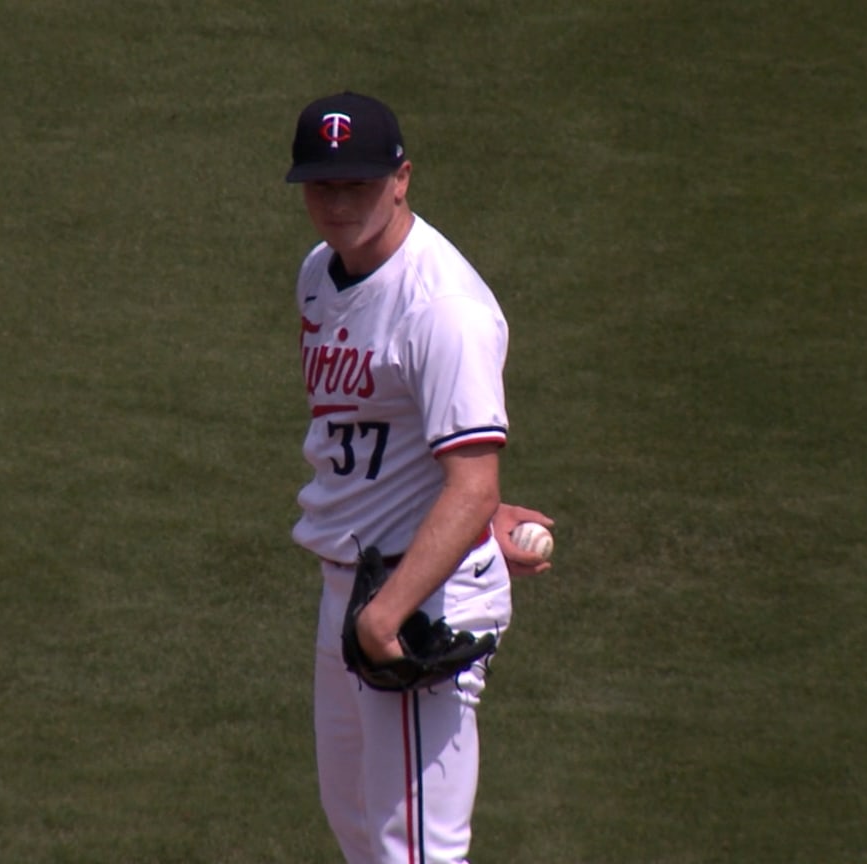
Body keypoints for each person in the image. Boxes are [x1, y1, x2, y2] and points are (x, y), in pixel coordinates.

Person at [285, 91, 554, 864]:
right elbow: (396, 435)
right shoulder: (319, 275)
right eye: (322, 184)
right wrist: (483, 513)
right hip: (354, 584)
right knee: (360, 834)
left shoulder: (444, 309)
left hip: (417, 600)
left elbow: (471, 482)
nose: (338, 203)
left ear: (402, 179)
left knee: (416, 853)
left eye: (360, 184)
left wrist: (383, 617)